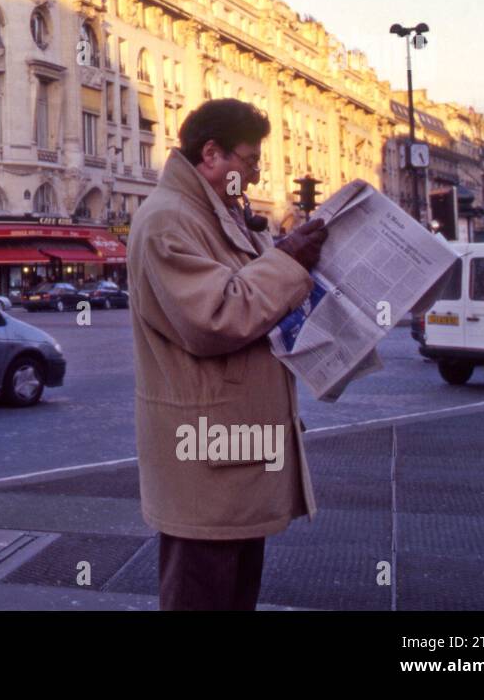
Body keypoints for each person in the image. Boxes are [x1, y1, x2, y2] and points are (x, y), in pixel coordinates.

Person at [128, 98, 327, 611]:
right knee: (202, 595)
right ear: (212, 154)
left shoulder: (221, 216)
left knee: (234, 597)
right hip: (205, 462)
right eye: (250, 161)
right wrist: (288, 261)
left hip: (235, 455)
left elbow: (262, 298)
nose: (255, 176)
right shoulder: (168, 220)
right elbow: (216, 317)